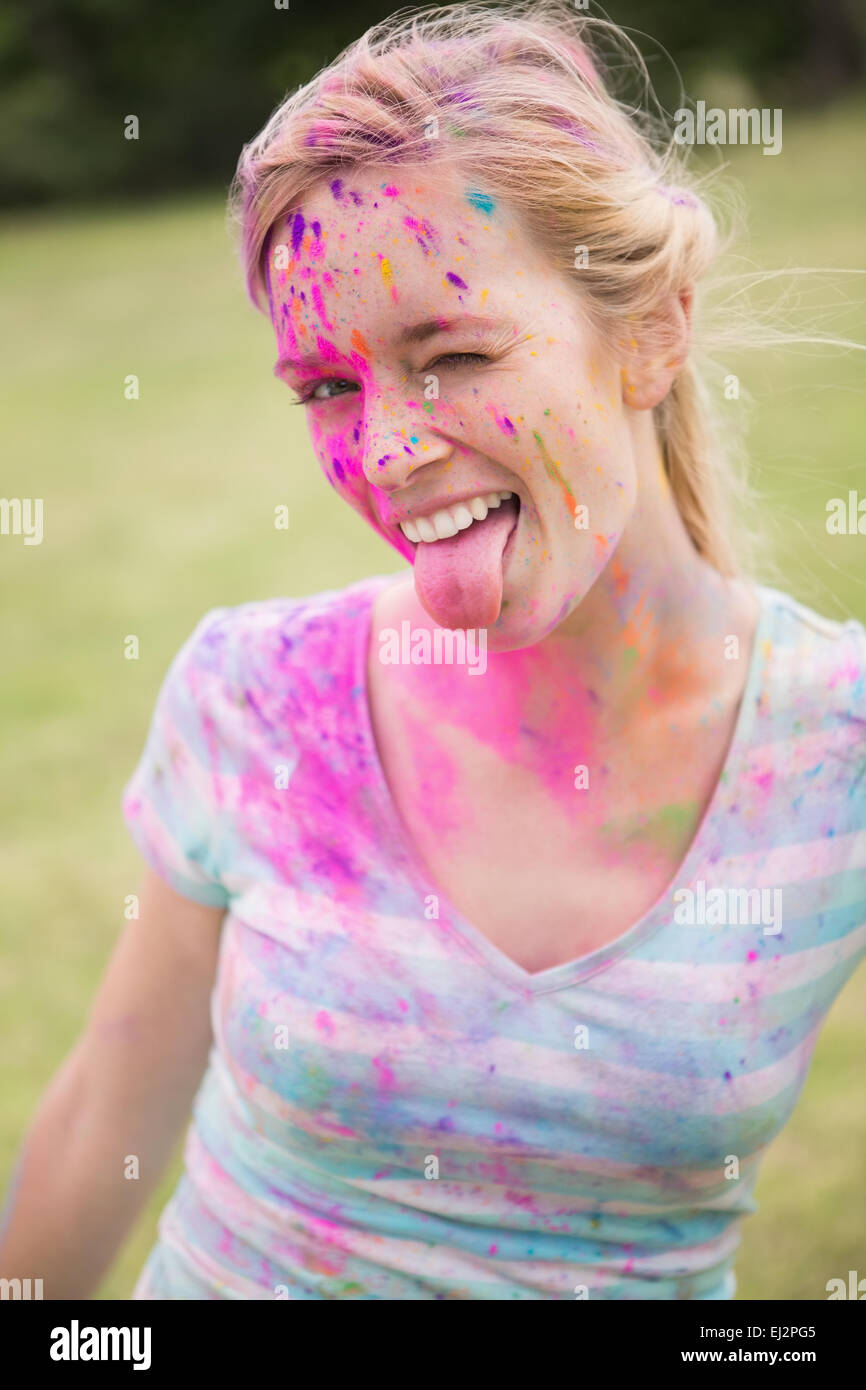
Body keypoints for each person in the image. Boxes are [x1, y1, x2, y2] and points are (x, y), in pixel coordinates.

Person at [2, 0, 864, 1301]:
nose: (390, 453)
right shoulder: (259, 697)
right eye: (327, 387)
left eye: (452, 352)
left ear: (651, 329)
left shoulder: (834, 748)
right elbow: (101, 1122)